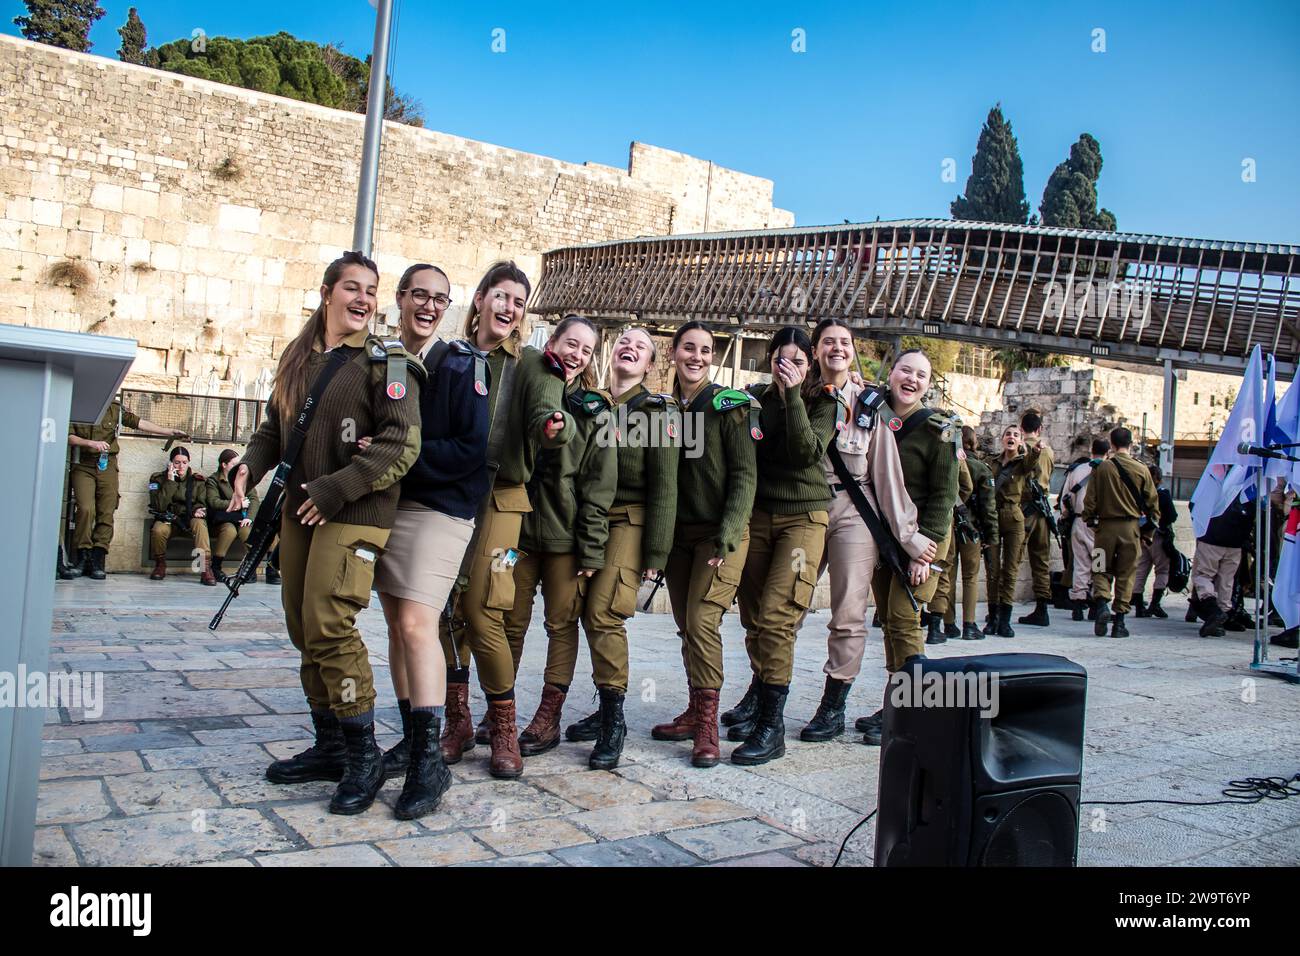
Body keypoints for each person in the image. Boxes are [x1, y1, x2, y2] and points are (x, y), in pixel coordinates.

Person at [229, 250, 424, 816]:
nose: (363, 299)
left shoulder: (386, 363)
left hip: (354, 510)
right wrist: (249, 464)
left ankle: (364, 755)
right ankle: (332, 743)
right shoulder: (297, 355)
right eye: (352, 288)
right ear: (326, 292)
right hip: (299, 510)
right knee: (301, 626)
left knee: (329, 622)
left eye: (371, 290)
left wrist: (335, 488)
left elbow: (401, 445)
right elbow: (275, 427)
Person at [435, 262, 572, 780]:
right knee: (447, 608)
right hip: (448, 494)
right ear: (480, 298)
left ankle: (504, 727)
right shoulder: (450, 358)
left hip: (504, 499)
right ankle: (456, 721)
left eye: (518, 301)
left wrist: (552, 427)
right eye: (501, 296)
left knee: (484, 607)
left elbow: (546, 411)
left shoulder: (532, 363)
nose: (509, 308)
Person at [371, 262, 489, 820]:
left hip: (440, 510)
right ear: (399, 298)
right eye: (419, 294)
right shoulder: (388, 361)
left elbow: (473, 448)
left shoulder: (461, 364)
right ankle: (415, 741)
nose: (428, 305)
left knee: (418, 624)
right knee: (396, 624)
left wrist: (399, 458)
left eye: (439, 298)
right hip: (392, 509)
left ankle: (430, 761)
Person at [796, 319, 927, 744]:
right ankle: (764, 692)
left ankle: (833, 706)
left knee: (849, 614)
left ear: (853, 351)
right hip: (805, 506)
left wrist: (911, 540)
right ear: (815, 350)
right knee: (783, 605)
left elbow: (887, 479)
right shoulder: (797, 392)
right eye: (828, 342)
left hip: (853, 512)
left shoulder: (870, 404)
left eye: (845, 342)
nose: (837, 348)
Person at [716, 326, 840, 766]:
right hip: (759, 516)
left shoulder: (824, 401)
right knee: (752, 617)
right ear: (768, 360)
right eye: (779, 360)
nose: (787, 368)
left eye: (798, 361)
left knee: (776, 616)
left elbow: (806, 451)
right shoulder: (755, 399)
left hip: (804, 517)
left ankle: (773, 725)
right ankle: (758, 698)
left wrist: (792, 396)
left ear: (810, 365)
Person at [504, 316, 616, 759]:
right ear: (551, 343)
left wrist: (591, 546)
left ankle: (548, 718)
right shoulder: (527, 388)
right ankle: (501, 713)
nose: (576, 354)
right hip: (516, 532)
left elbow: (599, 486)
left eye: (586, 350)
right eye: (571, 343)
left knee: (560, 625)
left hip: (565, 539)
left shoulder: (597, 410)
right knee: (506, 620)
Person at [567, 326, 678, 769]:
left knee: (603, 612)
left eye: (642, 347)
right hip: (584, 520)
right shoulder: (589, 401)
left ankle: (614, 719)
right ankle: (601, 706)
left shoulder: (657, 412)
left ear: (651, 365)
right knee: (577, 612)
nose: (630, 348)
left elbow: (665, 488)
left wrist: (657, 555)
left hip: (629, 519)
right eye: (624, 342)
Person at [652, 322, 758, 768]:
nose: (696, 357)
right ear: (673, 352)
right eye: (688, 348)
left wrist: (729, 532)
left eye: (705, 350)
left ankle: (709, 723)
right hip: (679, 538)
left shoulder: (727, 405)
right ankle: (697, 710)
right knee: (685, 626)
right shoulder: (664, 410)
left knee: (701, 621)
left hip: (721, 535)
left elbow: (744, 475)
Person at [852, 348, 959, 746]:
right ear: (892, 373)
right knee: (890, 625)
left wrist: (924, 552)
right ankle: (898, 705)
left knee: (904, 619)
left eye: (922, 376)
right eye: (905, 371)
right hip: (883, 538)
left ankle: (914, 714)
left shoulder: (940, 428)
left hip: (923, 541)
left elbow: (944, 496)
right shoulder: (872, 413)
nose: (912, 380)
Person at [64, 399, 186, 580]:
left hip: (107, 464)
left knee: (107, 510)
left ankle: (97, 559)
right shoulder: (80, 406)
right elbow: (69, 436)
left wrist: (169, 431)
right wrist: (90, 443)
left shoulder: (114, 408)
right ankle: (82, 556)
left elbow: (139, 423)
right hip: (84, 464)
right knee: (85, 509)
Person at [1083, 426, 1159, 639]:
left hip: (1105, 529)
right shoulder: (1141, 469)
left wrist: (1090, 521)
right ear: (1131, 444)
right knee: (1127, 573)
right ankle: (1120, 622)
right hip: (1130, 529)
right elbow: (1154, 507)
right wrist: (1147, 534)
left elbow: (1090, 500)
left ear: (1112, 444)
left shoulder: (1102, 468)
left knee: (1099, 567)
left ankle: (1101, 605)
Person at [929, 427, 993, 643]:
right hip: (970, 527)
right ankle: (970, 624)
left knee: (945, 573)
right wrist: (991, 536)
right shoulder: (978, 467)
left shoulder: (930, 454)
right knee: (970, 577)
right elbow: (987, 506)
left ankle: (947, 623)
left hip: (945, 523)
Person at [983, 425, 1039, 638]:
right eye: (1008, 434)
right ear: (1002, 438)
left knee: (1011, 569)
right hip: (993, 517)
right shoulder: (992, 462)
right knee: (992, 570)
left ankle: (1005, 620)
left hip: (1014, 518)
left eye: (1016, 435)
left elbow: (1032, 460)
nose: (1011, 437)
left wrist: (1034, 449)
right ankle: (993, 616)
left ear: (1021, 440)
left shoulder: (1022, 463)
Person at [147, 446, 214, 585]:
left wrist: (196, 510)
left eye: (184, 462)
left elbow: (201, 503)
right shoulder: (157, 479)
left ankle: (205, 568)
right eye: (177, 462)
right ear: (171, 463)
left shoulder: (198, 480)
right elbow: (158, 506)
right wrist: (170, 481)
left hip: (188, 520)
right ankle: (160, 564)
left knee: (200, 524)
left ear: (189, 462)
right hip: (168, 519)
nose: (181, 466)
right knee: (158, 530)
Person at [1060, 437, 1110, 620]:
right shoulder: (1111, 470)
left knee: (1080, 563)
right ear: (1108, 452)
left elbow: (1065, 497)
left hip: (1080, 521)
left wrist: (1066, 516)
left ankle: (1078, 603)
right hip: (1101, 525)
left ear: (1091, 451)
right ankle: (1097, 602)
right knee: (1099, 563)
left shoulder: (1078, 470)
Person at [1189, 499, 1253, 638]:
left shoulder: (1215, 483)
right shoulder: (1245, 486)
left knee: (1203, 575)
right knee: (1226, 580)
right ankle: (1223, 613)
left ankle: (1213, 609)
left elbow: (1195, 504)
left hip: (1211, 536)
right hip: (1235, 541)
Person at [1017, 409, 1055, 627]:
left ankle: (1002, 610)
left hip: (1024, 508)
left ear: (1021, 428)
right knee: (1041, 561)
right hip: (1042, 510)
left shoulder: (1022, 448)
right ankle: (1042, 607)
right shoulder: (1048, 451)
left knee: (1013, 560)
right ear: (1039, 429)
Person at [204, 448, 265, 584]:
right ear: (224, 465)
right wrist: (237, 502)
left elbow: (254, 500)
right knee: (229, 530)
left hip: (242, 517)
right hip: (225, 518)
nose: (237, 467)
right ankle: (216, 566)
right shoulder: (214, 480)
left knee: (246, 531)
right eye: (233, 464)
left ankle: (249, 568)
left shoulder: (243, 478)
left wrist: (249, 517)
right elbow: (213, 501)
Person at [1133, 464, 1178, 618]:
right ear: (1159, 479)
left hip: (1141, 535)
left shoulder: (1138, 493)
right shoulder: (1162, 494)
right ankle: (1155, 604)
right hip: (1158, 535)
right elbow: (1172, 516)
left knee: (1140, 571)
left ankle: (1139, 606)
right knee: (1162, 570)